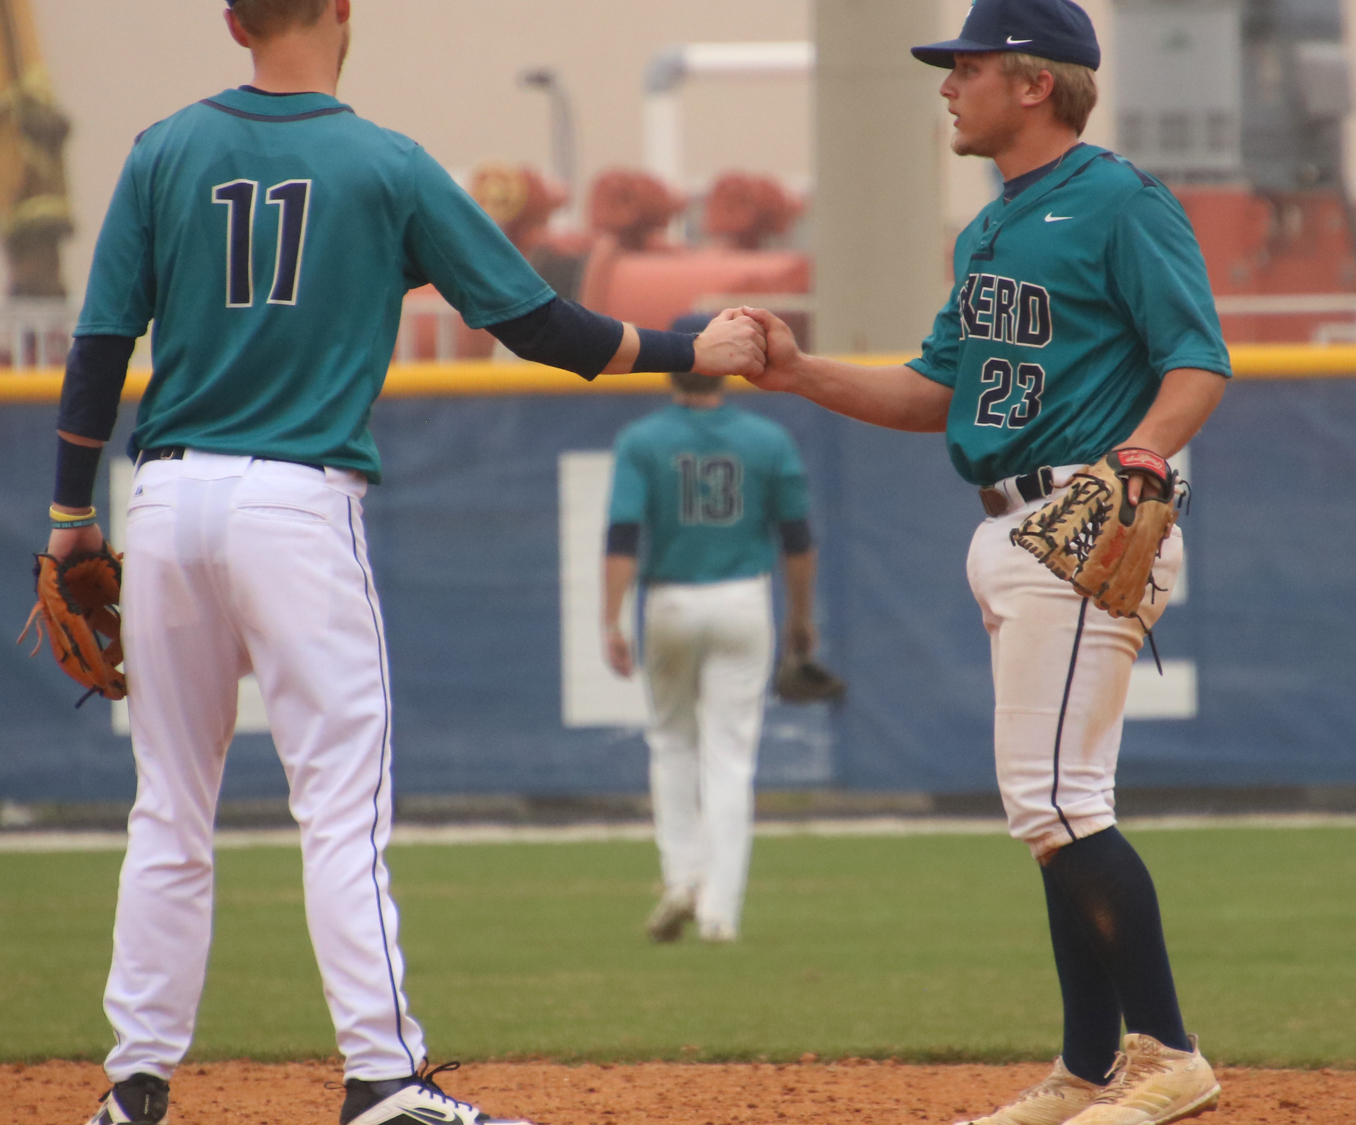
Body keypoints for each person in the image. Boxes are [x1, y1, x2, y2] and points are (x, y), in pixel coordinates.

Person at [45, 3, 764, 1124]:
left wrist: (64, 518)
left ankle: (132, 1091)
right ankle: (381, 1077)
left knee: (168, 811)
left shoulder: (163, 149)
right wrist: (691, 346)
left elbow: (96, 350)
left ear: (233, 21)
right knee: (336, 807)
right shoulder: (386, 164)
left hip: (169, 493)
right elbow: (544, 328)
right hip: (294, 501)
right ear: (341, 11)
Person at [741, 0, 1230, 1121]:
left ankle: (1168, 1053)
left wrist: (1144, 454)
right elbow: (935, 391)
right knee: (1059, 811)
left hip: (1080, 517)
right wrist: (800, 371)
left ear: (1033, 82)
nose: (946, 86)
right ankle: (1086, 1068)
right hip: (1009, 525)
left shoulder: (1118, 200)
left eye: (964, 67)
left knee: (1053, 805)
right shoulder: (990, 230)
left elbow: (1197, 361)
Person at [600, 336, 818, 945]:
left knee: (672, 743)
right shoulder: (767, 440)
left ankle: (681, 880)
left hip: (669, 599)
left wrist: (609, 619)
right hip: (743, 601)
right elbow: (797, 540)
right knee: (729, 757)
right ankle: (719, 912)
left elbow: (622, 535)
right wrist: (801, 618)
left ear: (674, 368)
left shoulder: (642, 440)